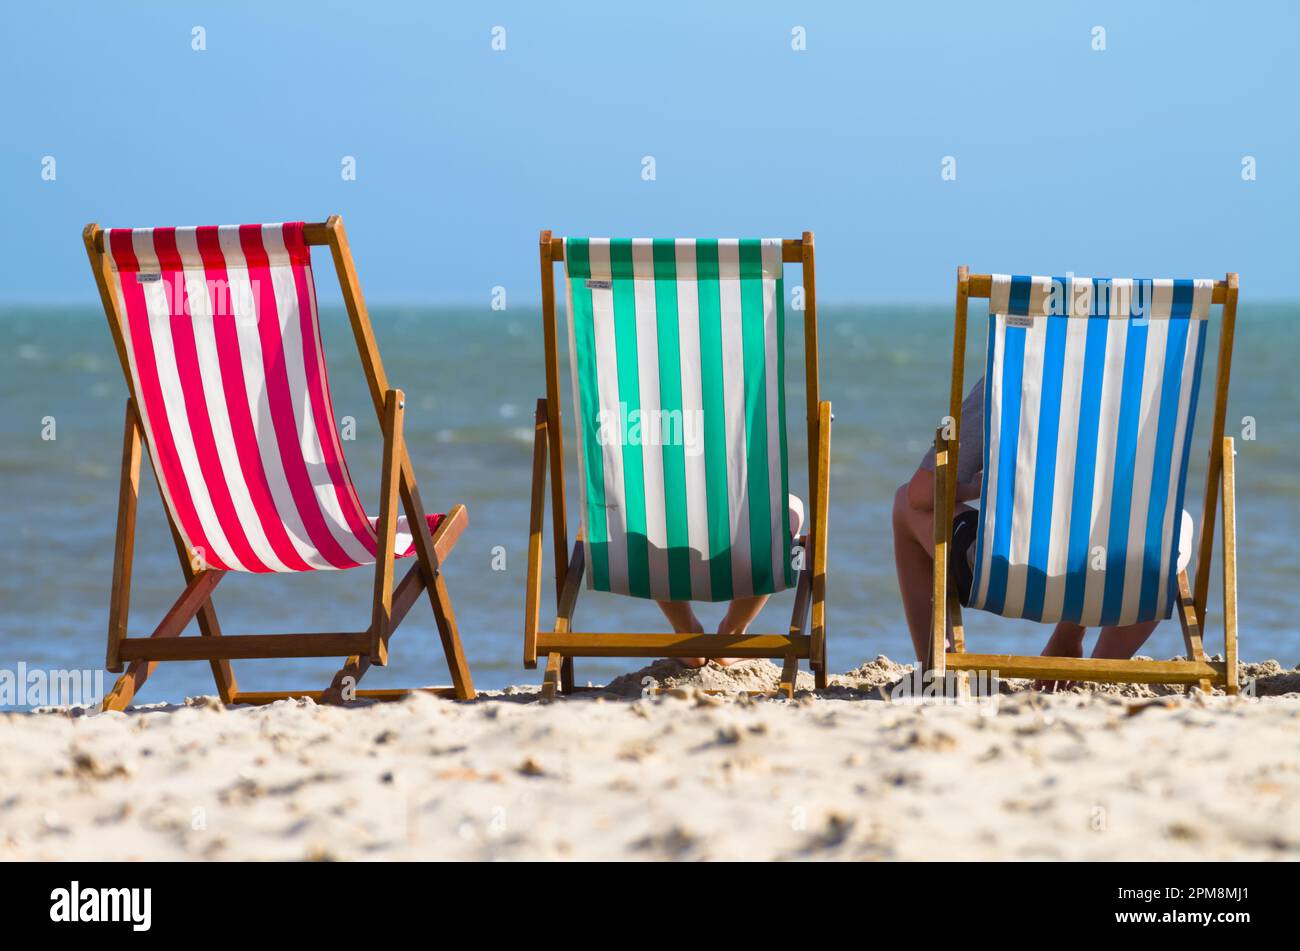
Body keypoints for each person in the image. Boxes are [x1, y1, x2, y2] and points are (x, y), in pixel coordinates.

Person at [892, 379, 1158, 690]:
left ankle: (938, 676)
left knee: (904, 502)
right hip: (1125, 577)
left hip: (1010, 572)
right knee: (1163, 533)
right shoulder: (1147, 378)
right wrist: (1069, 635)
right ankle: (1100, 676)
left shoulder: (1013, 370)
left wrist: (981, 485)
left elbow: (922, 493)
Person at [661, 496, 804, 668]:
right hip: (740, 528)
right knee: (790, 508)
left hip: (673, 522)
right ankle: (732, 635)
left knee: (647, 512)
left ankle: (685, 634)